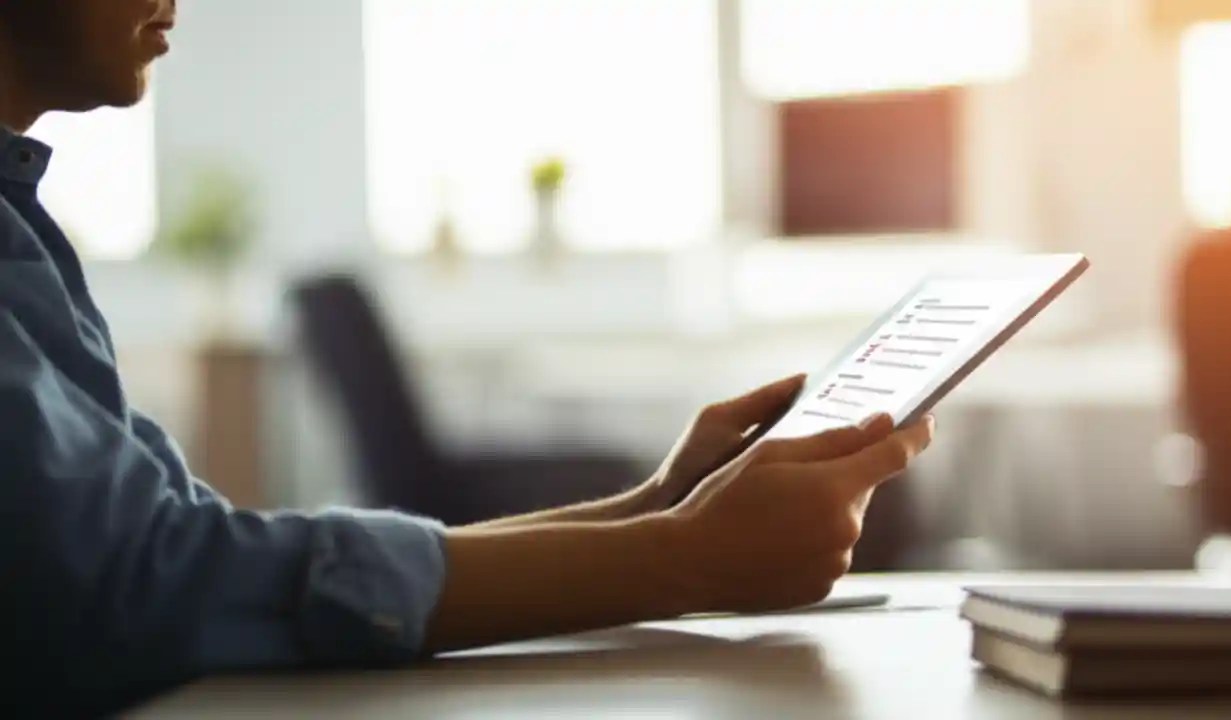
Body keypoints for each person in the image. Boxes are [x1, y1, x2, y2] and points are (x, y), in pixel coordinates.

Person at [0, 1, 935, 715]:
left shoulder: (23, 234)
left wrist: (659, 512)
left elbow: (173, 551)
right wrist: (684, 560)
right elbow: (144, 586)